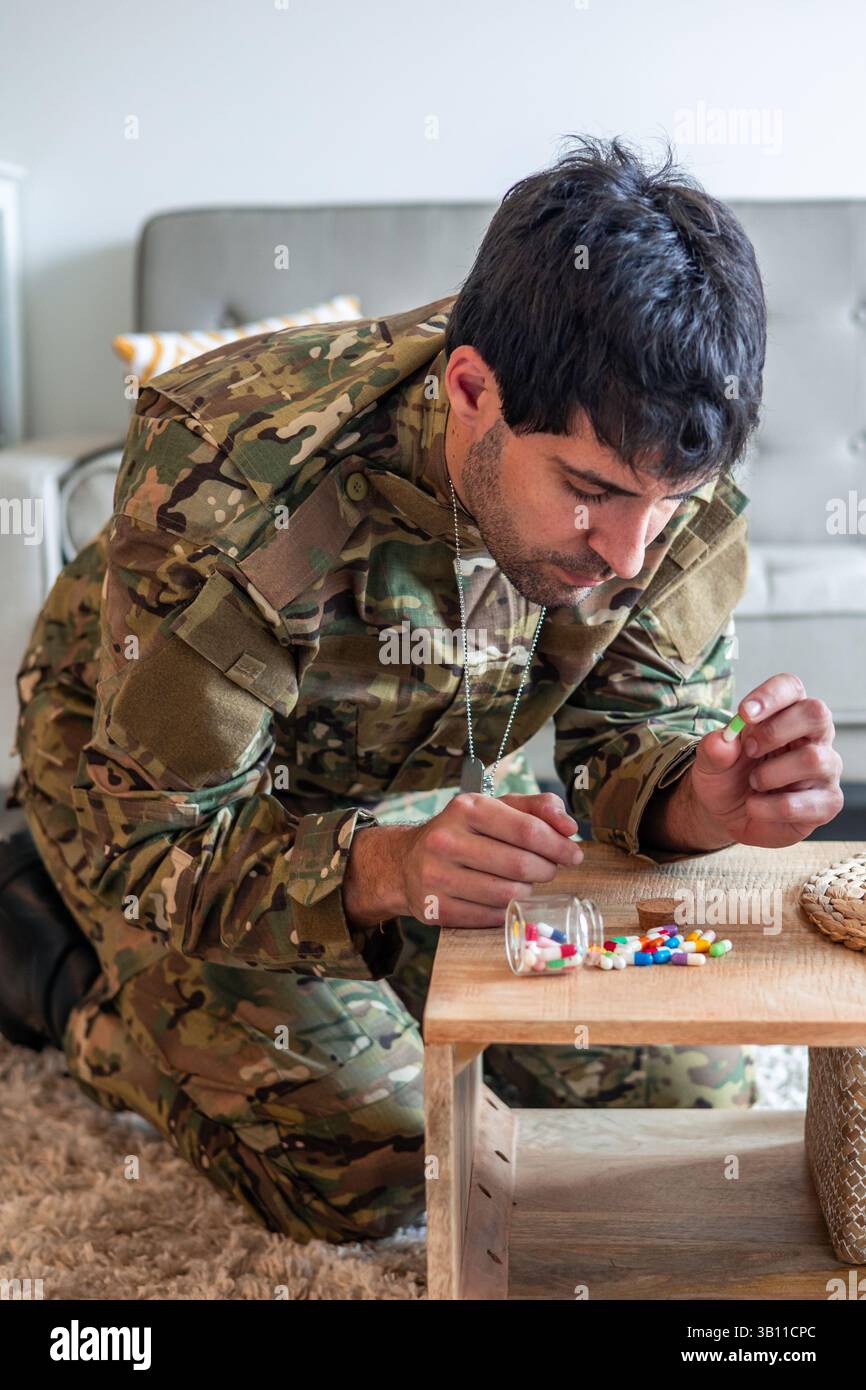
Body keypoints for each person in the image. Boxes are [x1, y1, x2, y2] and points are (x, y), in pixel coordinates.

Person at [0, 135, 843, 1243]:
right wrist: (381, 867)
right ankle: (53, 964)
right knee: (385, 1159)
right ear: (469, 391)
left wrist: (703, 795)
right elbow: (150, 838)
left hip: (418, 793)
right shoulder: (237, 487)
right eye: (589, 492)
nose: (630, 553)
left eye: (667, 500)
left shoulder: (652, 459)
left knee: (683, 1092)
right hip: (153, 797)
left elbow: (634, 734)